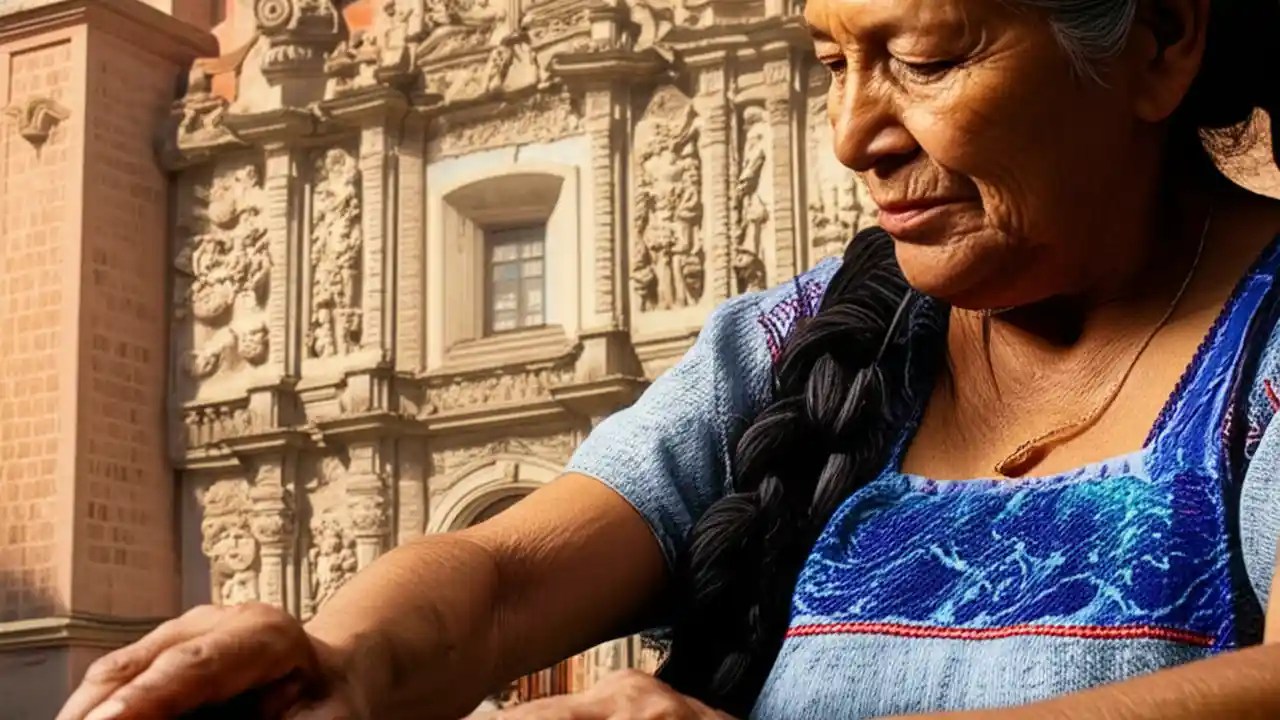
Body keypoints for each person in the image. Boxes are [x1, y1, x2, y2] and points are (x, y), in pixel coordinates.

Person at [55, 0, 1280, 718]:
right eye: (826, 63)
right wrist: (341, 660)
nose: (854, 132)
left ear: (1161, 42)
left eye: (921, 57)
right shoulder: (795, 345)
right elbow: (507, 577)